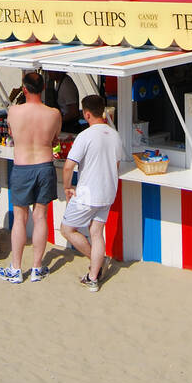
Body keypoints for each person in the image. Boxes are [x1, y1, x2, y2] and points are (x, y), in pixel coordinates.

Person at [0, 70, 61, 284]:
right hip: (44, 165)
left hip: (23, 166)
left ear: (24, 89)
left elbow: (12, 134)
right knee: (40, 217)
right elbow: (54, 139)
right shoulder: (53, 114)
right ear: (44, 88)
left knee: (20, 218)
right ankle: (37, 266)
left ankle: (16, 268)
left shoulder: (14, 112)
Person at [60, 95, 123, 291]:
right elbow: (116, 165)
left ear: (87, 114)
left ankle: (96, 261)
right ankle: (93, 275)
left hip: (88, 192)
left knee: (66, 229)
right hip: (108, 191)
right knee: (96, 233)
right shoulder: (115, 135)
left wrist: (67, 187)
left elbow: (68, 166)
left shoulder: (85, 136)